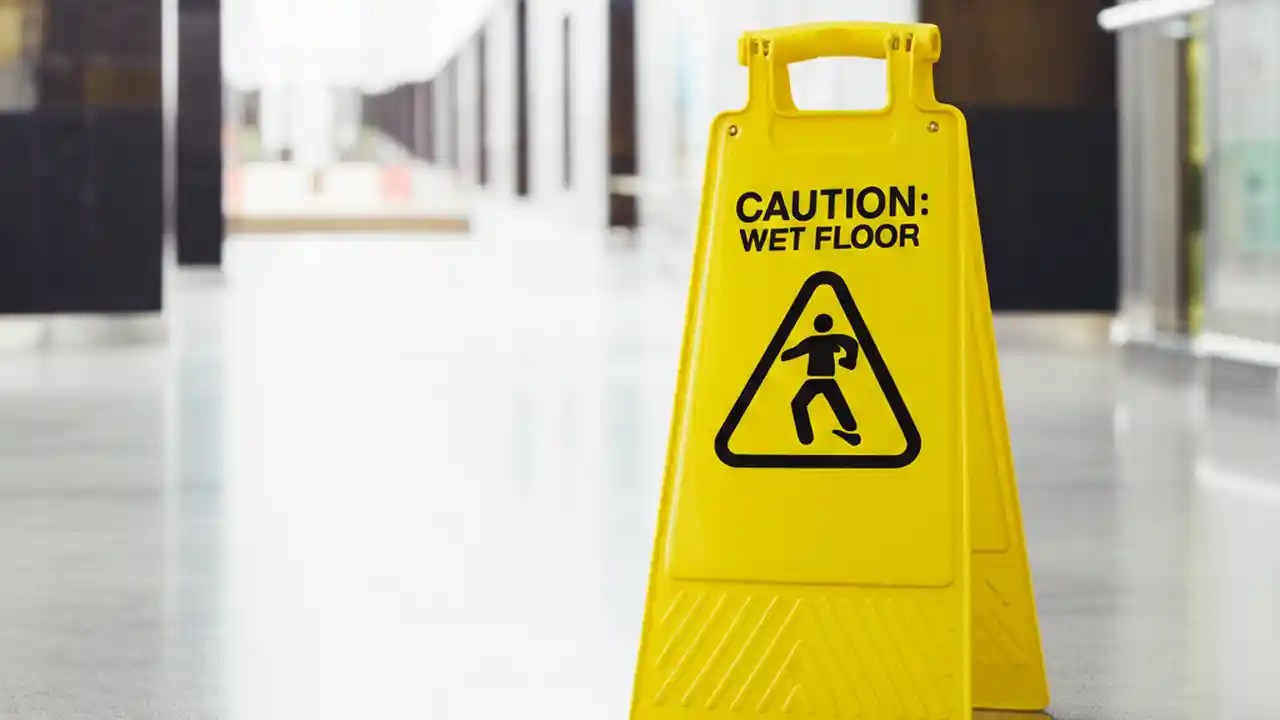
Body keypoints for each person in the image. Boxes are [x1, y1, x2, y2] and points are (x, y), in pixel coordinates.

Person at [780, 314, 861, 447]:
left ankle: (806, 437)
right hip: (824, 381)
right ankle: (848, 425)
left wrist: (783, 354)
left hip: (815, 381)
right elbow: (851, 343)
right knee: (802, 403)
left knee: (798, 404)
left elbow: (794, 352)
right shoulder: (832, 339)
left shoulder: (813, 341)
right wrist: (848, 361)